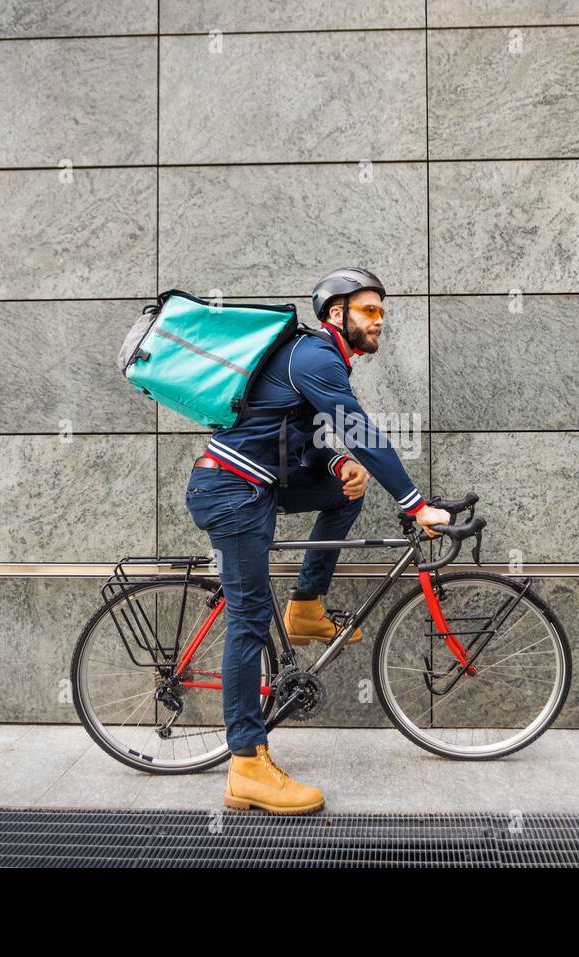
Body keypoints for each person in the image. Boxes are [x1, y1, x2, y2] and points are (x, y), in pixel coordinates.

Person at [184, 266, 451, 814]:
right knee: (250, 617)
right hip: (231, 490)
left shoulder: (316, 359)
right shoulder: (316, 355)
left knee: (345, 493)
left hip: (256, 482)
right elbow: (356, 427)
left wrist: (334, 464)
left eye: (381, 312)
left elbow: (291, 436)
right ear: (337, 314)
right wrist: (415, 502)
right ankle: (247, 767)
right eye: (369, 310)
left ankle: (305, 607)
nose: (379, 321)